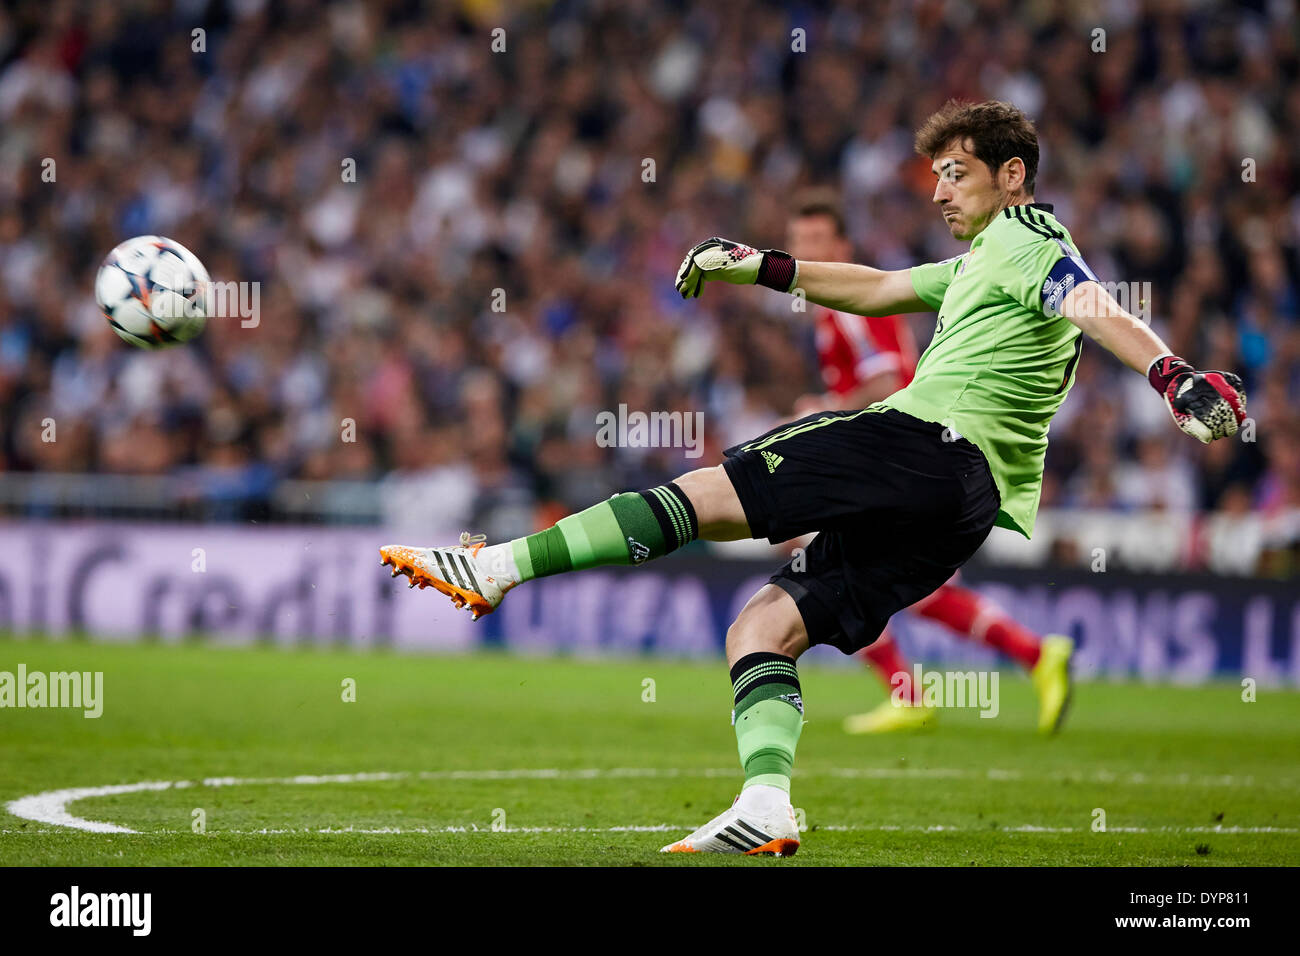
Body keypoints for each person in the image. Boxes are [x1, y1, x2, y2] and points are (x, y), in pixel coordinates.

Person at [380, 100, 1247, 857]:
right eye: (935, 176)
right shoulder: (980, 261)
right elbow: (876, 288)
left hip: (924, 443)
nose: (940, 191)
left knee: (705, 495)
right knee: (762, 627)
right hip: (964, 506)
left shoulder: (1028, 238)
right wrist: (762, 265)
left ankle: (495, 569)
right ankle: (766, 805)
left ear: (1011, 174)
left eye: (957, 174)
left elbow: (1088, 300)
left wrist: (1171, 375)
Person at [783, 192, 1072, 735]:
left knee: (816, 553)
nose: (806, 253)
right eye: (798, 244)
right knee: (905, 579)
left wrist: (819, 412)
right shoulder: (830, 309)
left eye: (817, 242)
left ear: (842, 246)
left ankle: (910, 689)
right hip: (904, 453)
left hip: (897, 452)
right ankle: (1030, 654)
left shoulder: (848, 309)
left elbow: (890, 380)